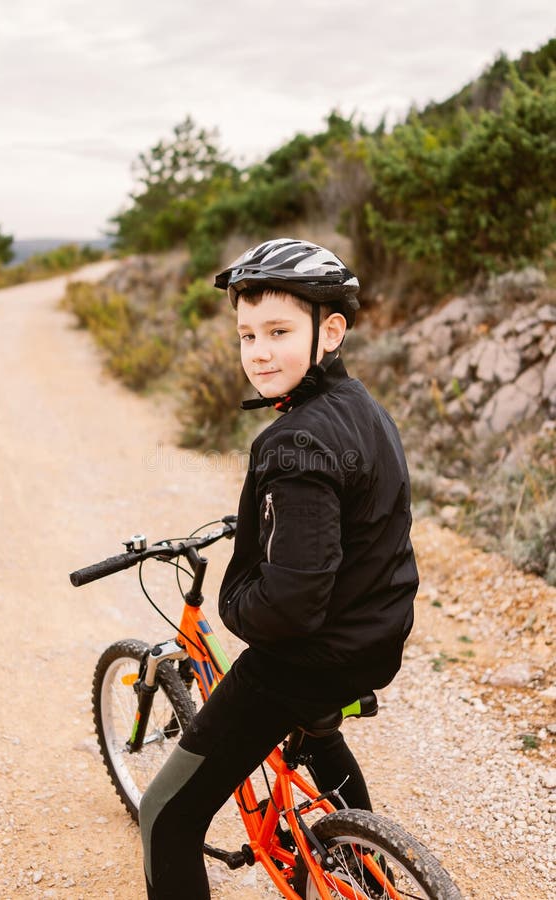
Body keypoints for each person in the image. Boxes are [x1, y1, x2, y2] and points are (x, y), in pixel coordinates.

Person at [139, 237, 419, 898]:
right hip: (372, 644)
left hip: (302, 661)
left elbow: (290, 606)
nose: (258, 352)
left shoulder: (295, 440)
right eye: (246, 335)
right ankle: (362, 868)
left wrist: (235, 601)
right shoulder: (365, 412)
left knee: (165, 816)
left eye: (279, 331)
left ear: (331, 330)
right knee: (318, 729)